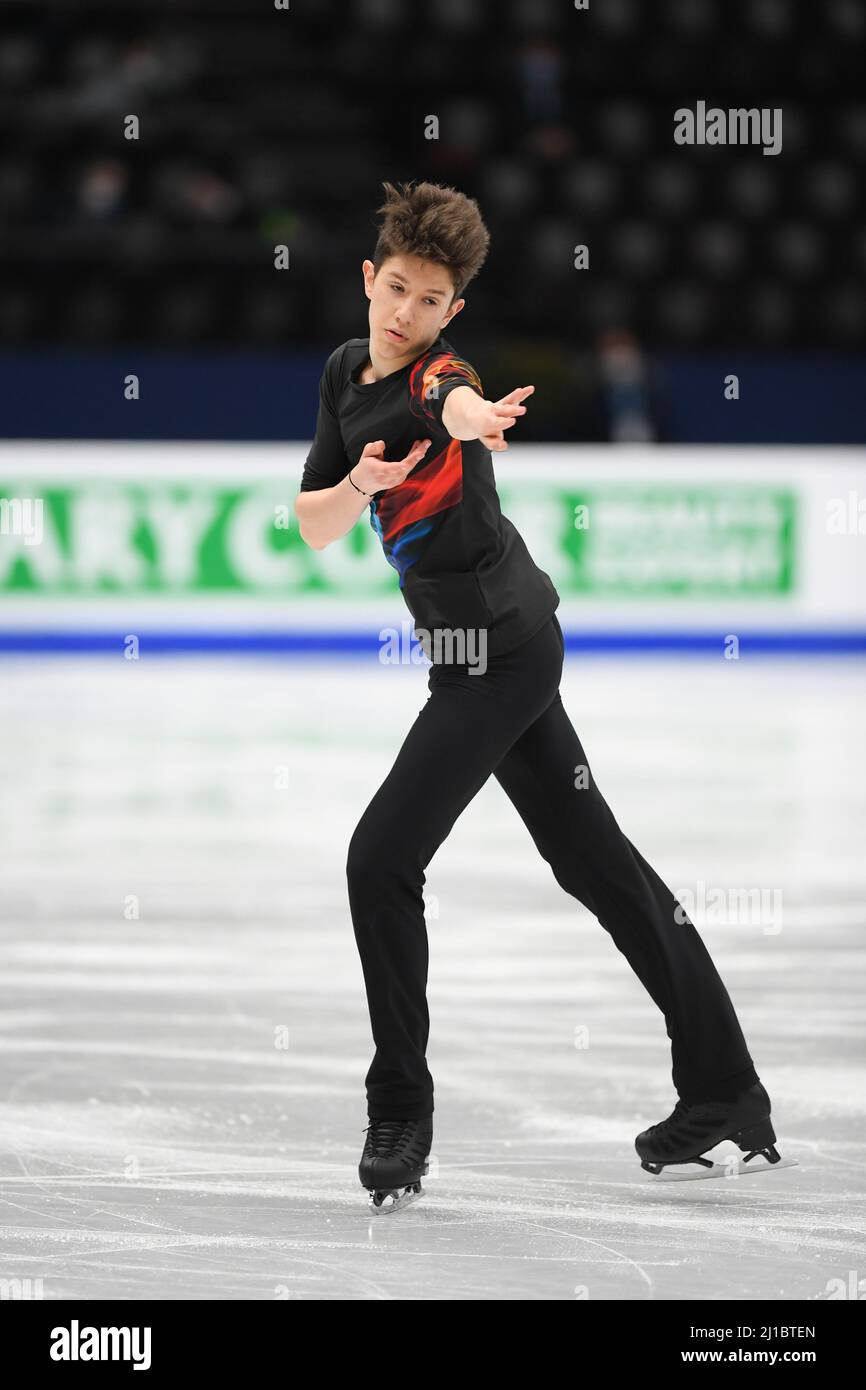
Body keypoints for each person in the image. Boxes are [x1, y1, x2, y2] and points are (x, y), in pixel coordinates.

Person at [294, 180, 775, 1214]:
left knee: (379, 857)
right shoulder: (342, 374)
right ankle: (726, 1091)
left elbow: (453, 400)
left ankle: (399, 1112)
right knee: (596, 865)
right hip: (474, 653)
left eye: (431, 300)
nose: (406, 313)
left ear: (451, 313)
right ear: (368, 278)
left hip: (505, 655)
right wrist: (360, 489)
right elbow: (312, 524)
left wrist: (473, 414)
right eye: (397, 289)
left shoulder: (439, 376)